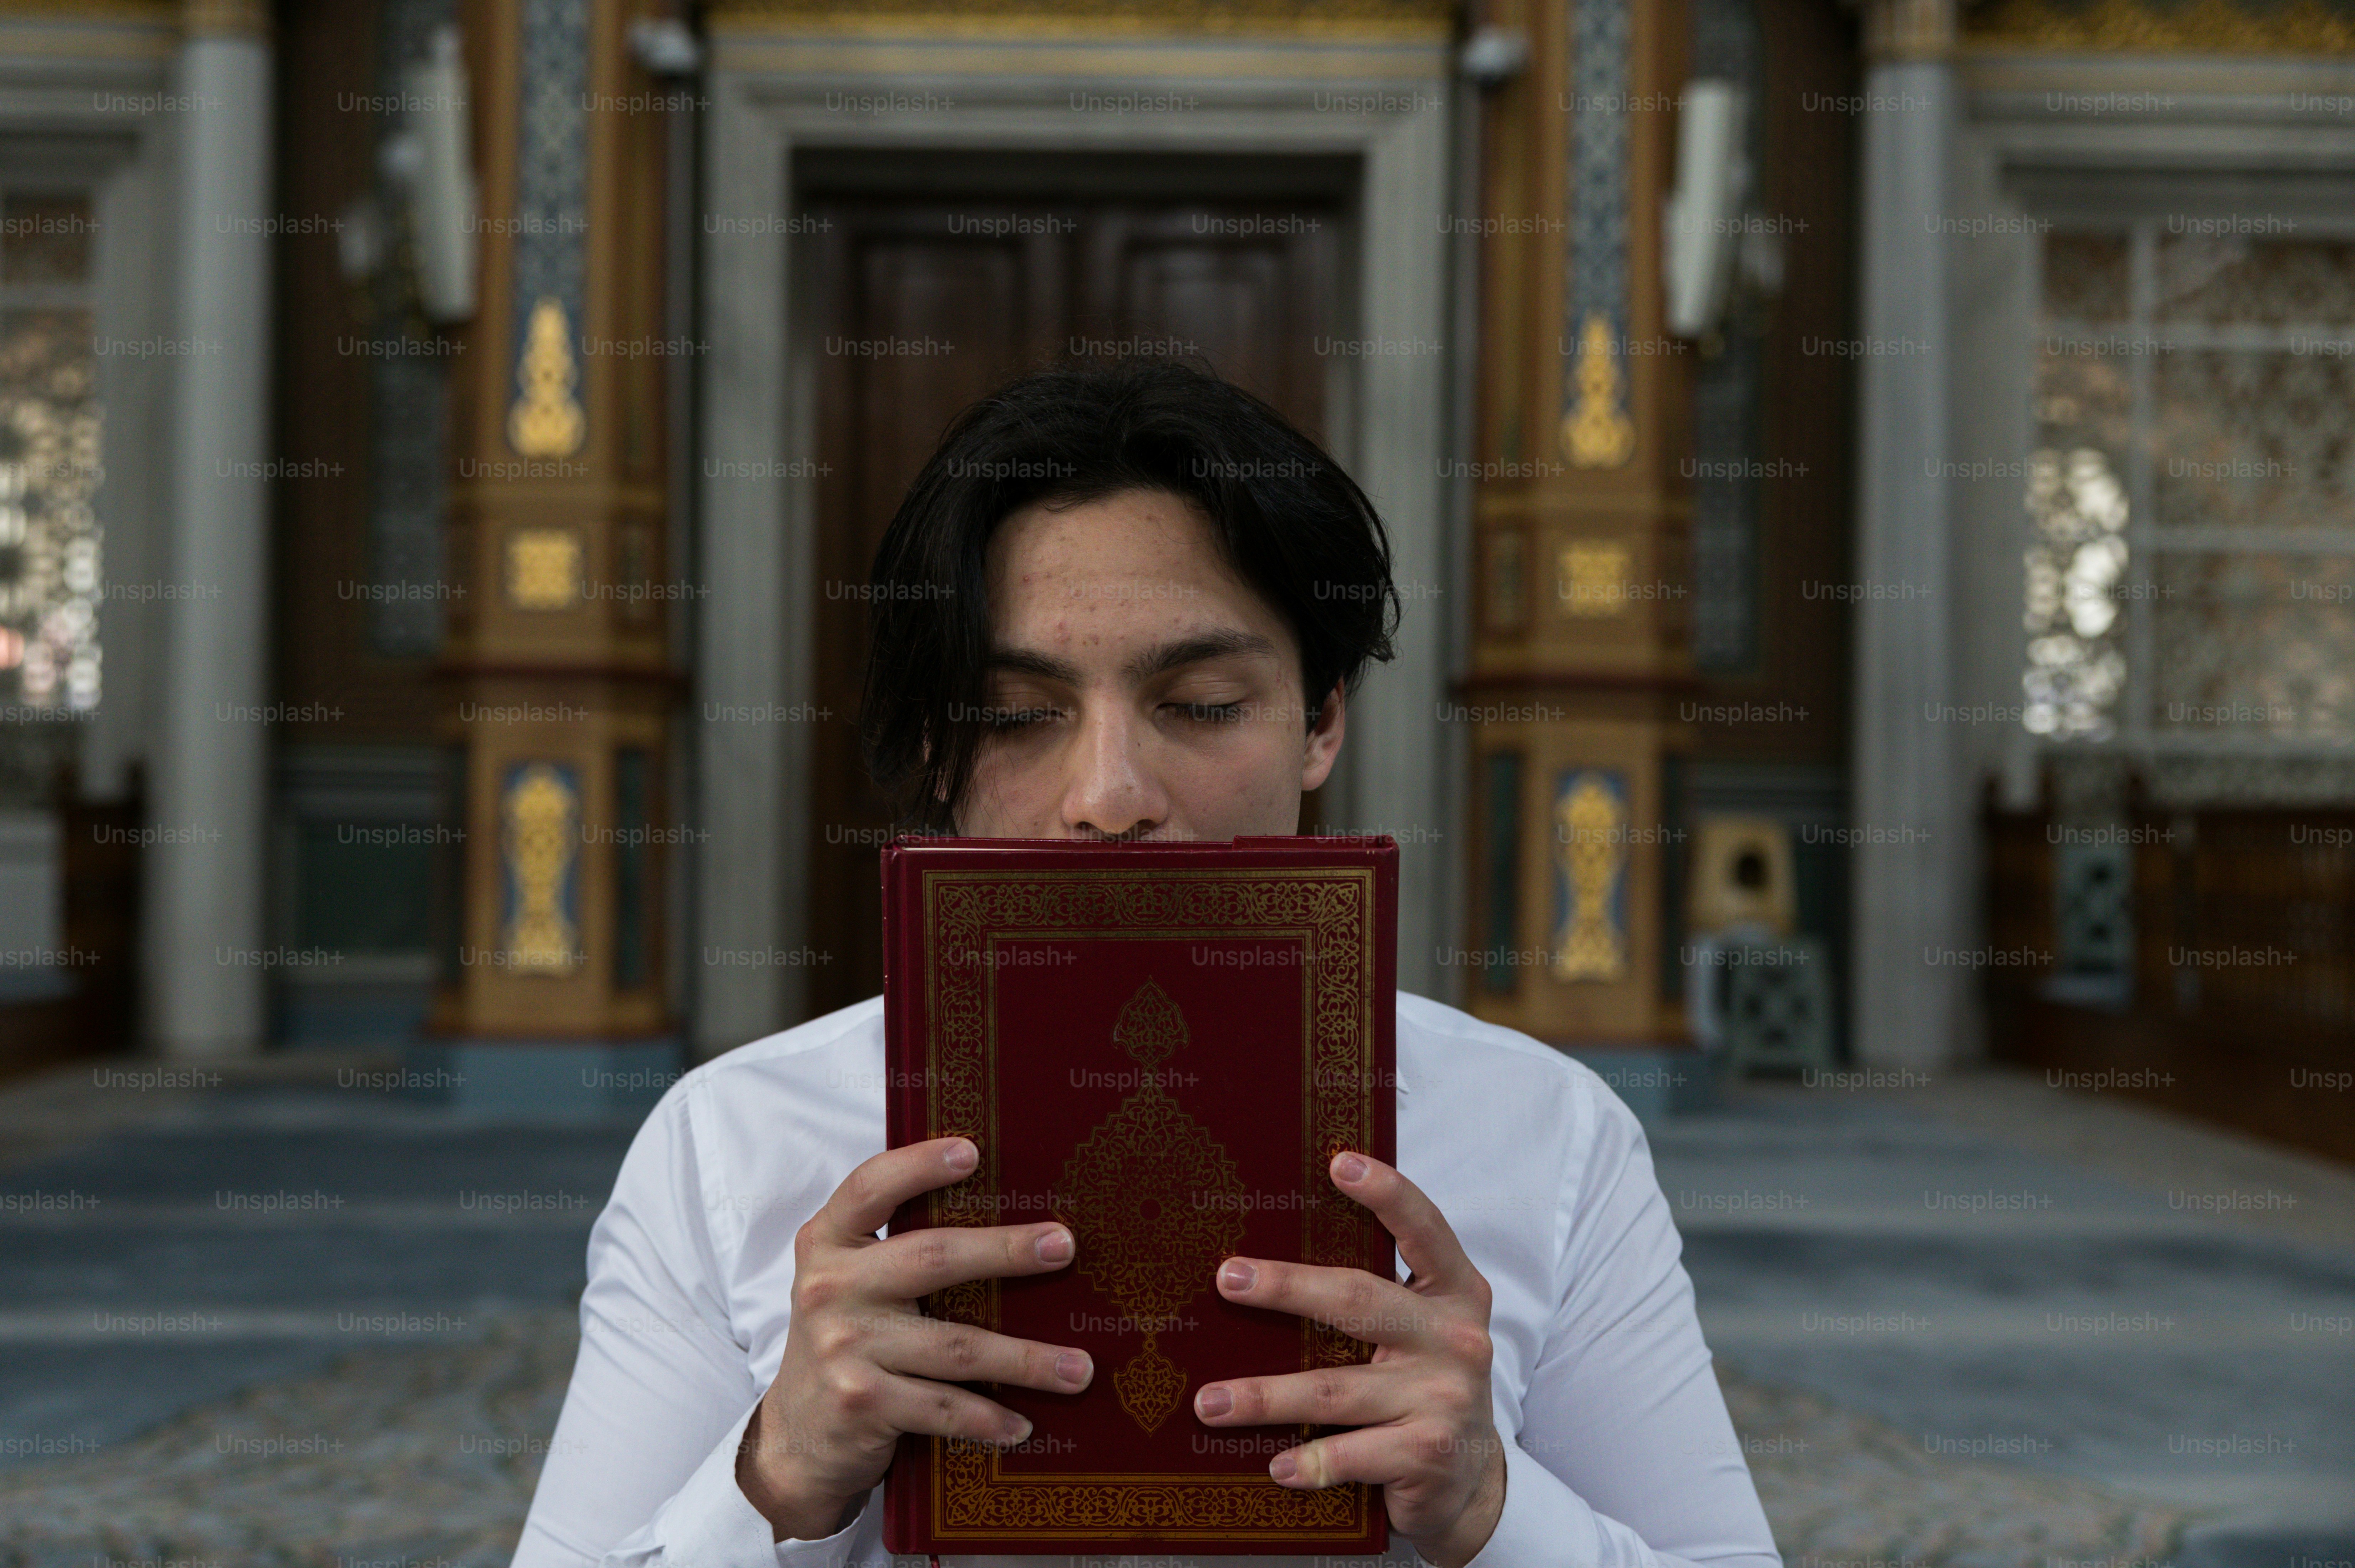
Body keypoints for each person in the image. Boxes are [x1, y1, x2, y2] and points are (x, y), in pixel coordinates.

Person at [512, 364, 1779, 1568]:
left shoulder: (1545, 1134)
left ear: (1321, 720)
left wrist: (1489, 1507)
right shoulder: (733, 1146)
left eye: (1203, 703)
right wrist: (778, 1478)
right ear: (934, 747)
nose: (1110, 797)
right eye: (1017, 715)